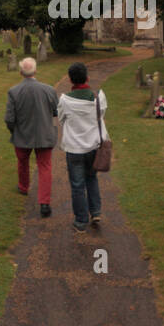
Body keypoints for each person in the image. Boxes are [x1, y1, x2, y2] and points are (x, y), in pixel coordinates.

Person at [4, 56, 60, 218]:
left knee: (22, 162)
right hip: (44, 134)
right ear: (35, 71)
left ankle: (23, 187)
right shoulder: (49, 89)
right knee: (45, 166)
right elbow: (56, 111)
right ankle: (44, 202)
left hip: (23, 135)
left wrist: (14, 131)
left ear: (21, 72)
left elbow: (9, 118)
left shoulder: (14, 91)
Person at [57, 61, 110, 231]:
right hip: (93, 146)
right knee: (91, 178)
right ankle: (95, 211)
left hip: (74, 149)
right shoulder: (98, 98)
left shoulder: (64, 100)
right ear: (87, 77)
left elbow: (61, 119)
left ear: (71, 80)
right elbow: (101, 114)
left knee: (77, 185)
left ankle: (81, 221)